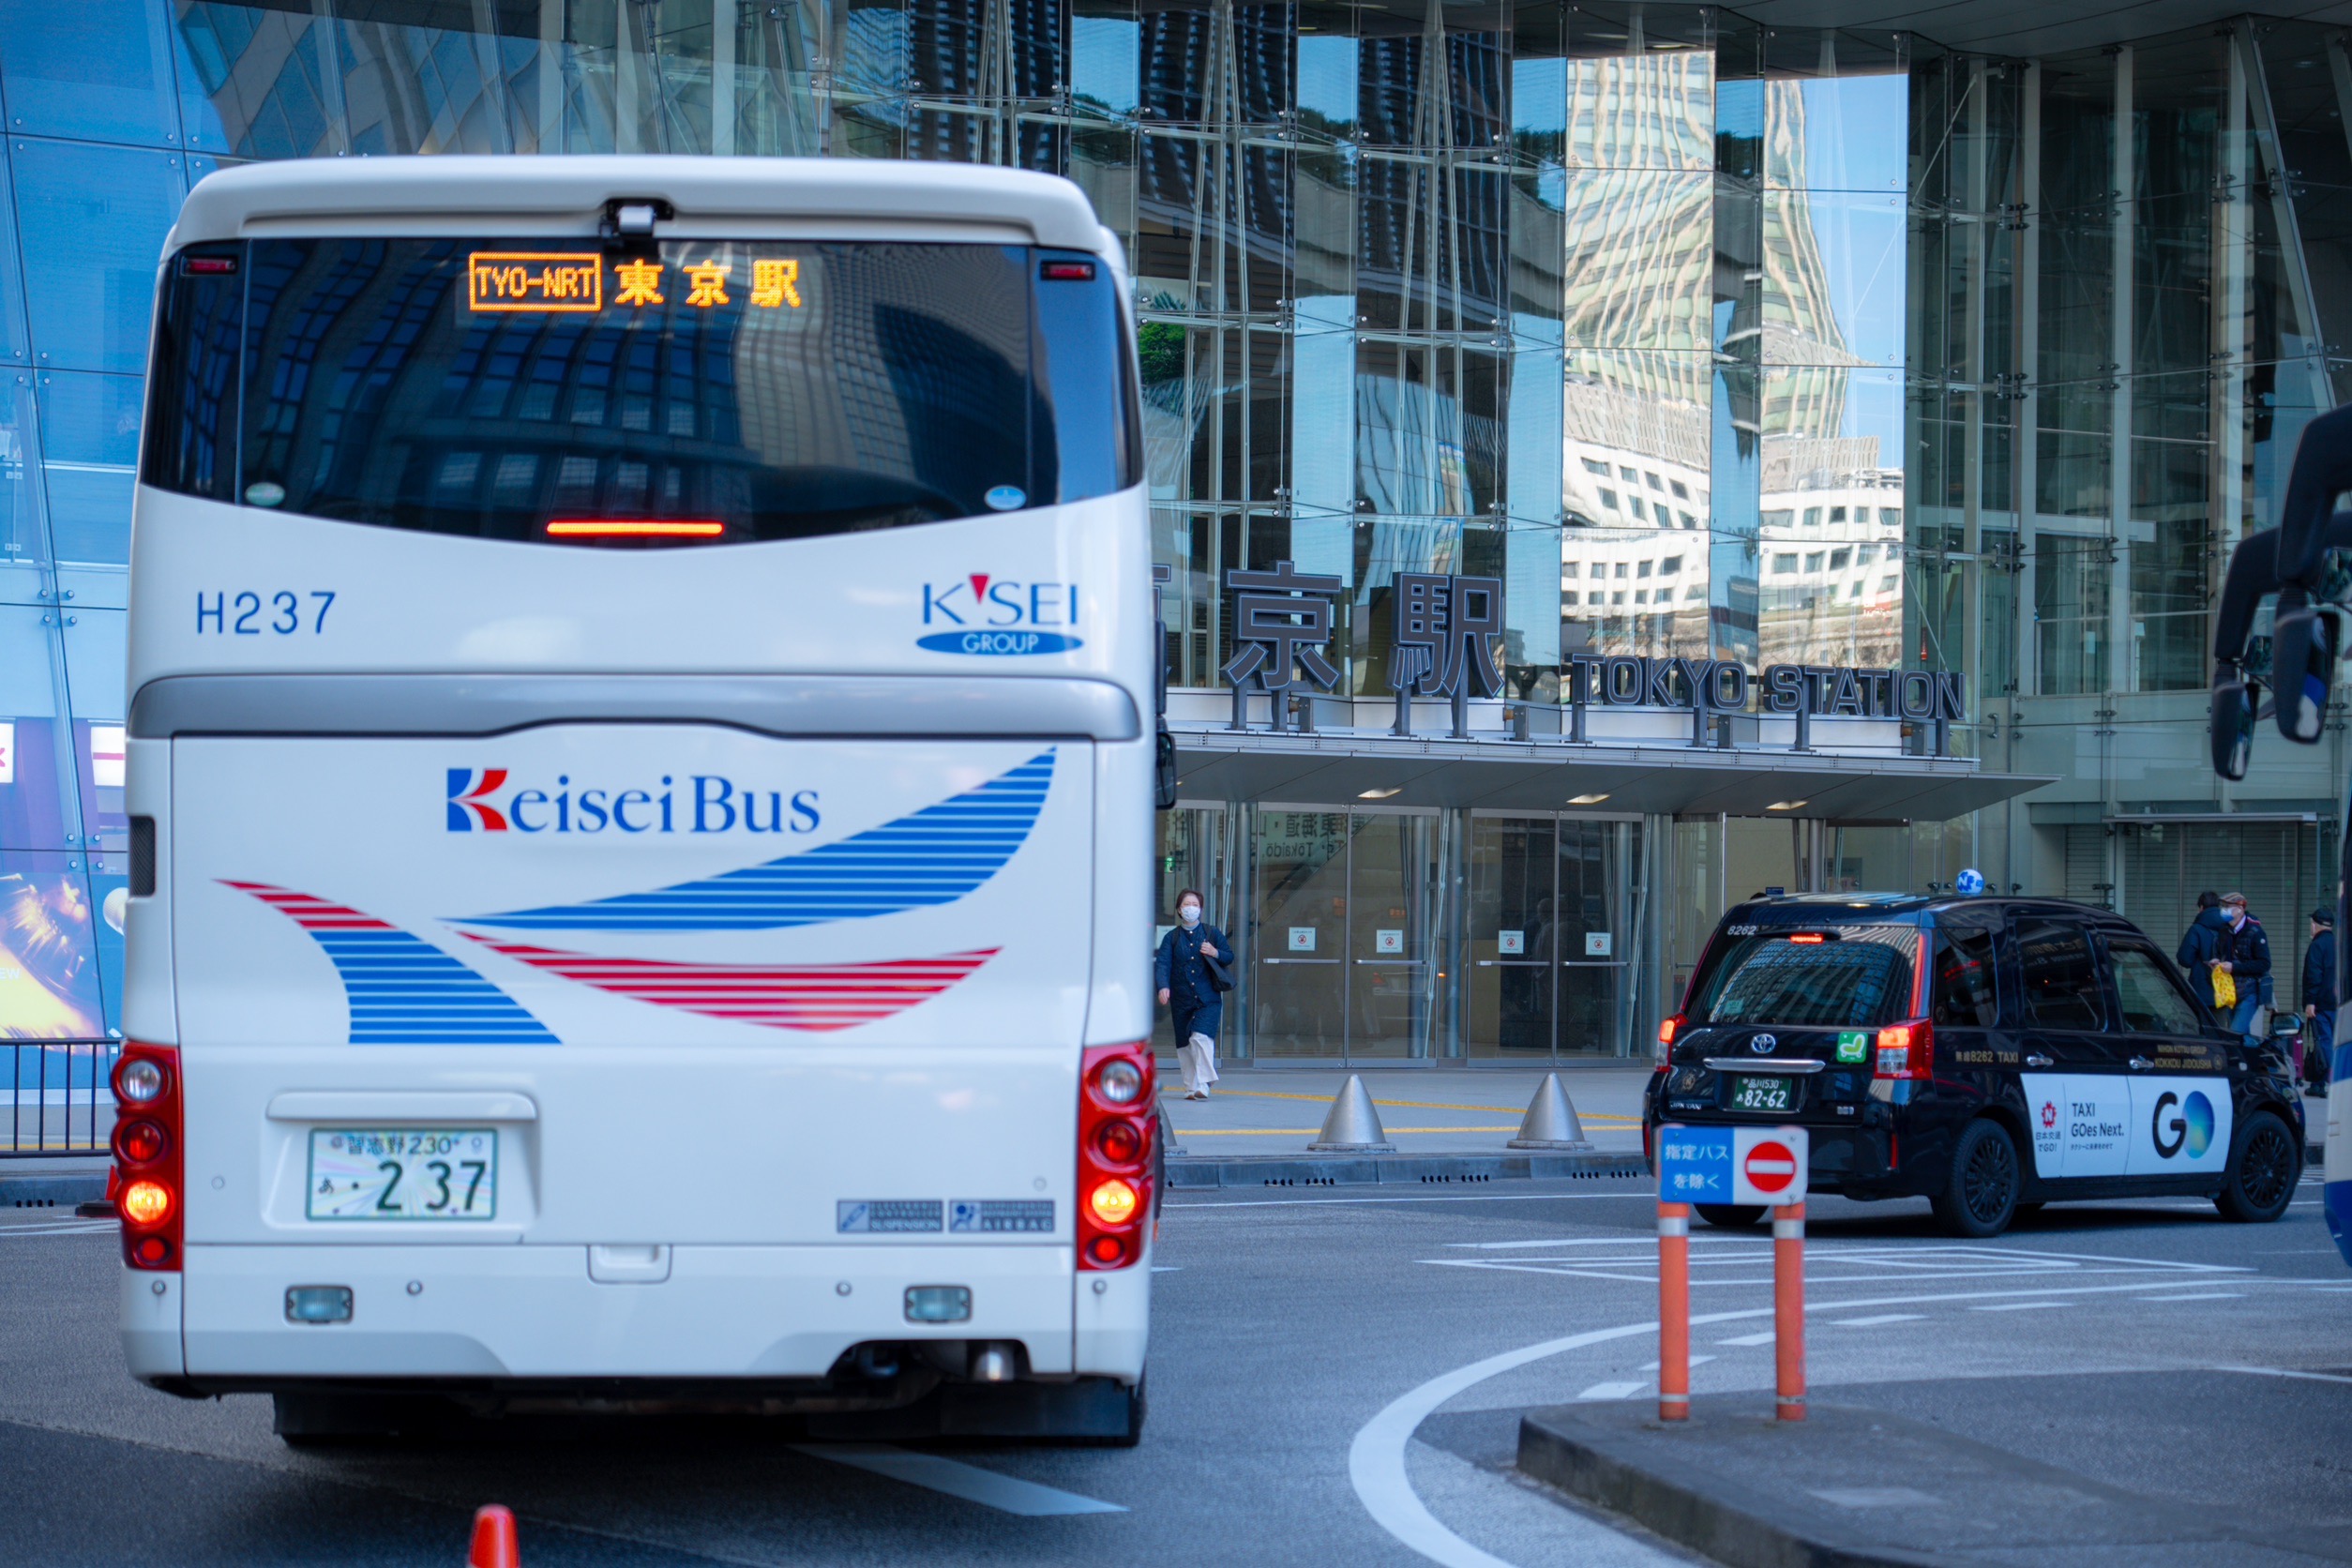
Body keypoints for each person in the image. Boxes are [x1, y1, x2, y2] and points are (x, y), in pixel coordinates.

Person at [1155, 889, 1231, 1100]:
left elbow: (1229, 955)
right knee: (1185, 1043)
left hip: (1208, 997)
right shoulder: (1172, 937)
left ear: (1201, 909)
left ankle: (1205, 1082)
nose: (1191, 908)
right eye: (1187, 904)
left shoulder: (1211, 933)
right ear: (1180, 909)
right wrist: (1163, 986)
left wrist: (1215, 952)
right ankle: (1191, 1086)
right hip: (1181, 998)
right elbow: (1163, 963)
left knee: (1200, 1036)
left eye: (1195, 905)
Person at [2214, 892, 2270, 1047]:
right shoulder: (2224, 931)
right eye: (2223, 906)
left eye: (2228, 906)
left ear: (2240, 909)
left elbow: (2264, 964)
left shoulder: (2255, 932)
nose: (2224, 910)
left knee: (2234, 1034)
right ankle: (2257, 1059)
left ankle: (2258, 1055)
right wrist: (2217, 962)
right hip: (2230, 993)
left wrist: (2234, 967)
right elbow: (2221, 954)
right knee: (2240, 1038)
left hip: (2248, 992)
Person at [2178, 891, 2228, 1016]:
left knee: (2200, 1030)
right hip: (2224, 989)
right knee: (2220, 1031)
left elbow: (2185, 959)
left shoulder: (2197, 929)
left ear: (2201, 908)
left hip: (2201, 990)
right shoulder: (2229, 927)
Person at [2304, 908, 2336, 1094]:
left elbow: (2313, 976)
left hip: (2321, 1003)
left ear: (2315, 924)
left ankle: (2327, 1082)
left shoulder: (2317, 946)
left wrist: (2310, 1001)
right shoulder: (2338, 943)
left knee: (2323, 1041)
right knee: (2333, 1042)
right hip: (2337, 1003)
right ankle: (2320, 1083)